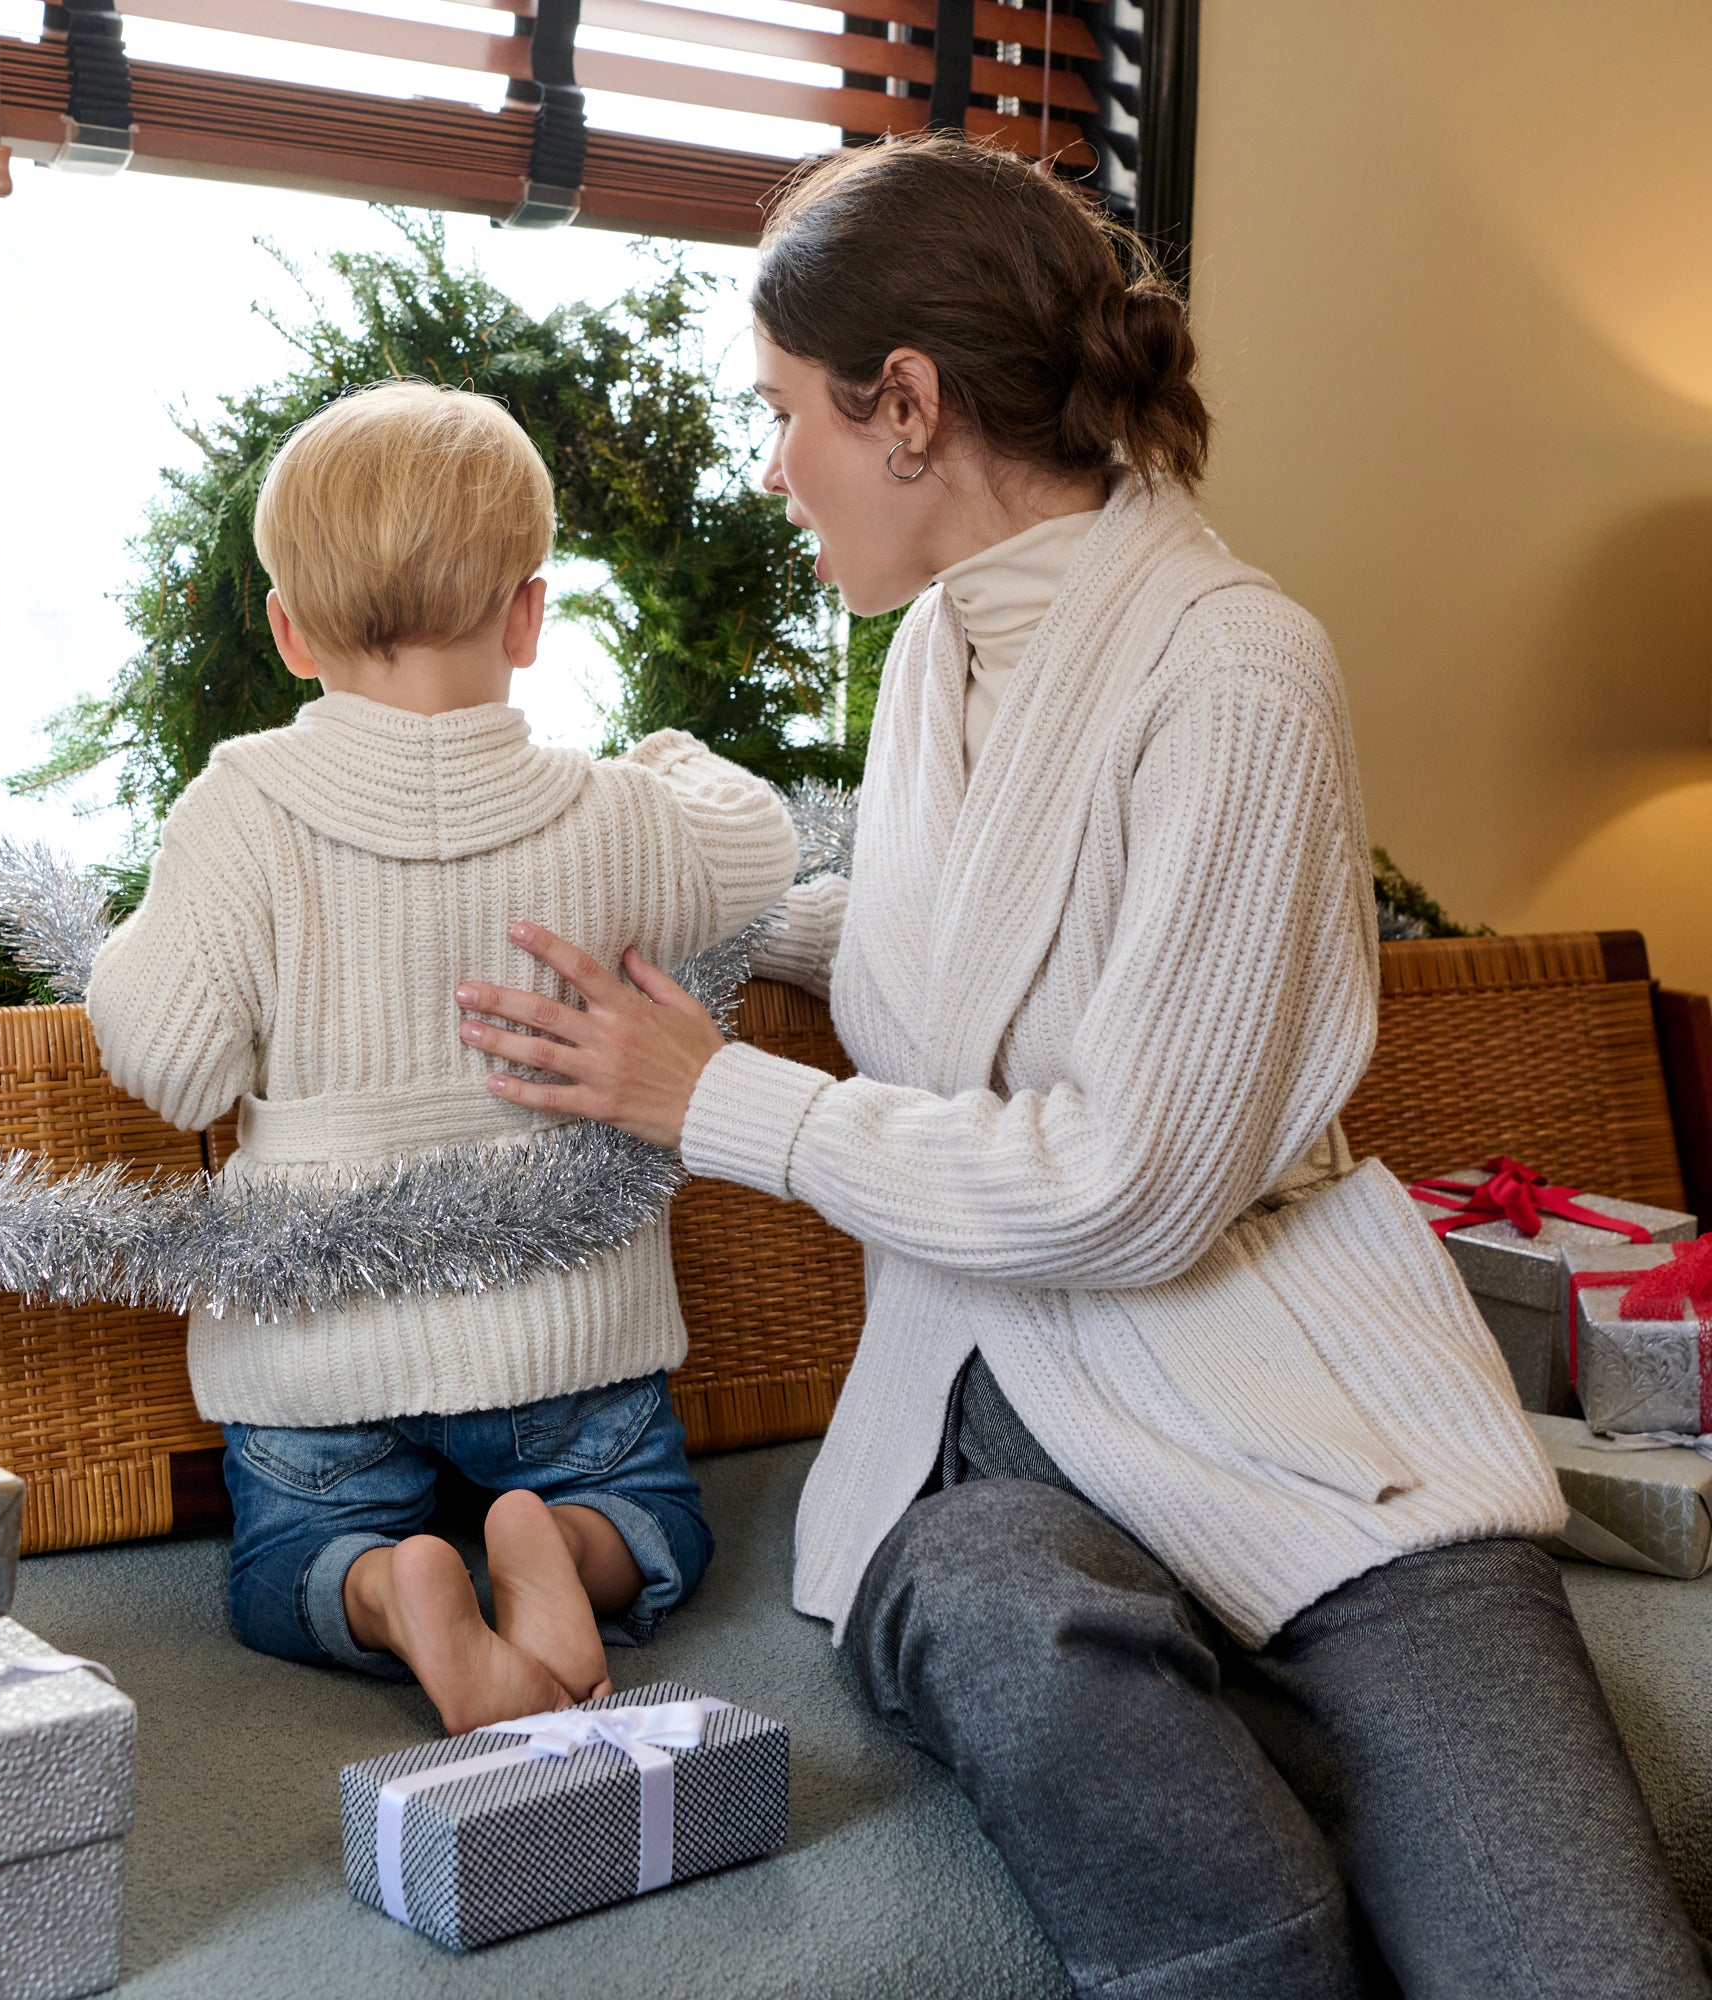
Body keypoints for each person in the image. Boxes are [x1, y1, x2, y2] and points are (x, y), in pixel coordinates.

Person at [448, 139, 1711, 1996]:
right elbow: (968, 960)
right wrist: (720, 922)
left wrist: (711, 1097)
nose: (771, 464)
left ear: (907, 407)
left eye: (785, 410)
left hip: (1300, 1414)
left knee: (1573, 1963)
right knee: (985, 1607)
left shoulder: (1235, 676)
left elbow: (1130, 1179)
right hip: (994, 1434)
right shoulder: (943, 652)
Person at [86, 381, 796, 1735]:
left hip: (317, 1351)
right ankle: (566, 1546)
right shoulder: (614, 814)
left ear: (290, 631)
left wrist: (130, 953)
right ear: (529, 616)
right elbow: (762, 846)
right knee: (655, 1512)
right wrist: (671, 756)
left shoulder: (238, 812)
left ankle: (388, 1589)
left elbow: (175, 1067)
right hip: (566, 1331)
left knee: (284, 1561)